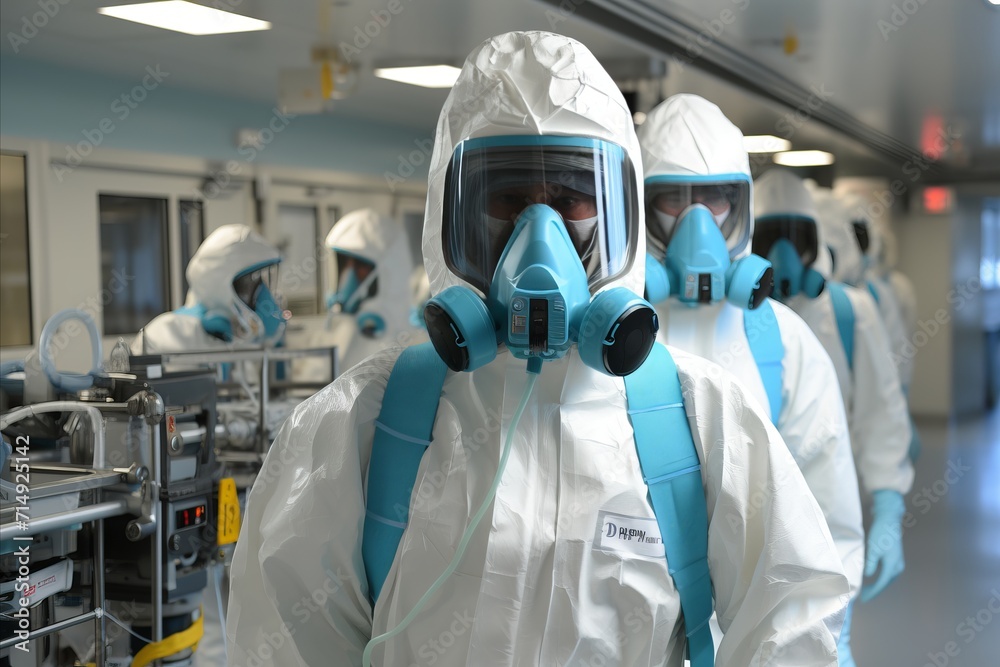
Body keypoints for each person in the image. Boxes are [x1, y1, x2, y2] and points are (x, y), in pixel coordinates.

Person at [226, 31, 849, 667]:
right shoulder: (356, 427)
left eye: (572, 201)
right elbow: (280, 644)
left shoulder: (701, 421)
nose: (540, 238)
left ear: (617, 216)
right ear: (451, 216)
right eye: (509, 201)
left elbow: (789, 628)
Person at [637, 94, 865, 631]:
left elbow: (826, 507)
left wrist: (826, 635)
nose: (697, 225)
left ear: (741, 208)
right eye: (672, 200)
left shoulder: (783, 341)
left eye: (715, 199)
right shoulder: (609, 335)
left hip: (756, 637)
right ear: (640, 207)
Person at [753, 169, 915, 667]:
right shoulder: (730, 316)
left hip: (826, 513)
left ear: (817, 241)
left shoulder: (849, 312)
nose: (783, 256)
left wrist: (888, 499)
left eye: (796, 238)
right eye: (769, 237)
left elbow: (879, 409)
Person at [131, 223, 285, 667]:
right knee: (203, 597)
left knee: (243, 590)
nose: (260, 296)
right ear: (224, 283)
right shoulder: (168, 335)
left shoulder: (237, 339)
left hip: (234, 483)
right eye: (250, 284)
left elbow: (247, 405)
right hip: (186, 488)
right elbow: (165, 420)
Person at [285, 208, 427, 379]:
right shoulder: (337, 333)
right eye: (345, 265)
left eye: (360, 266)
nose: (348, 277)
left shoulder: (416, 347)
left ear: (389, 273)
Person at [131, 224, 286, 355]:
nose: (262, 294)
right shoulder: (167, 332)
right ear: (220, 285)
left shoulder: (241, 336)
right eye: (251, 282)